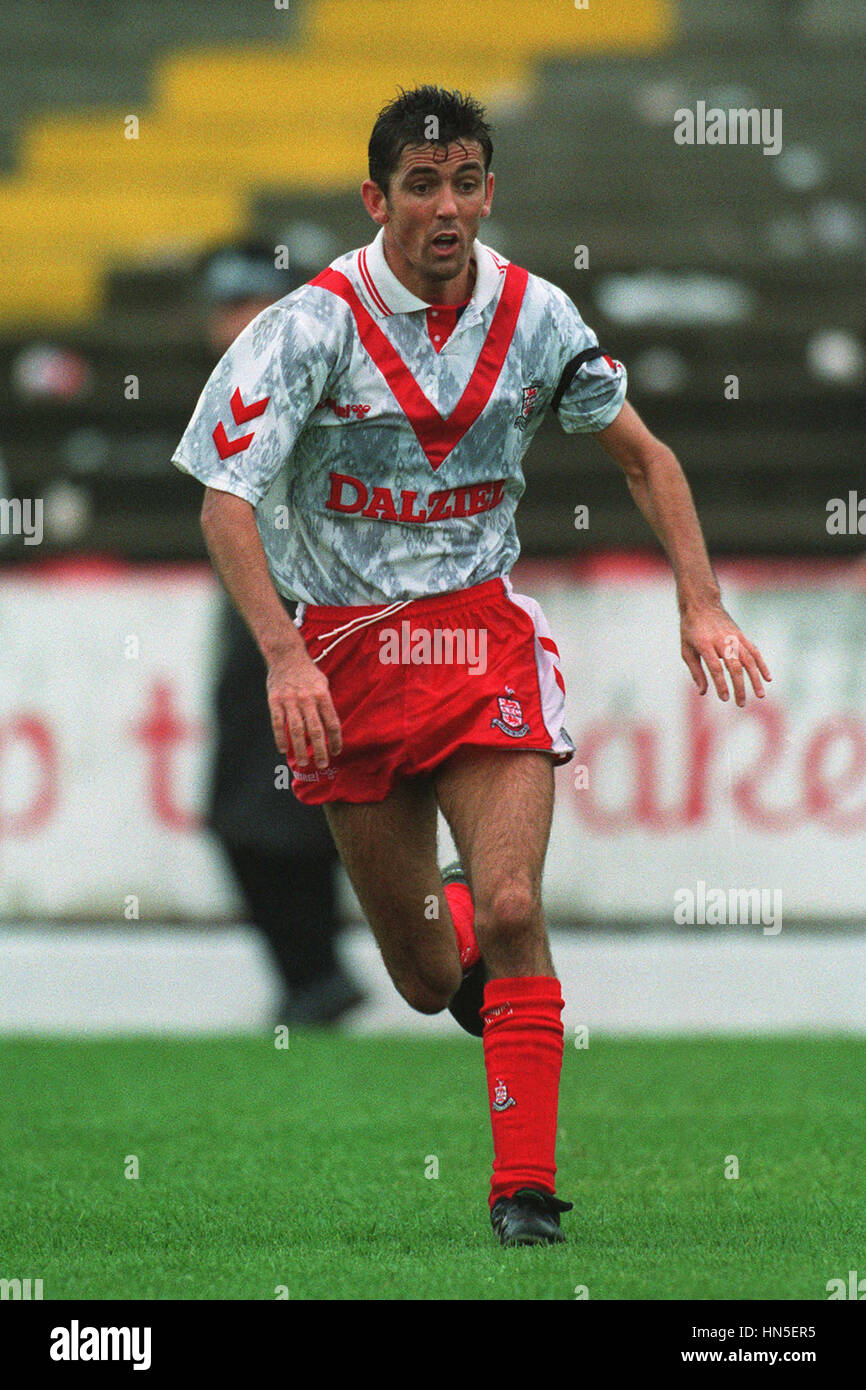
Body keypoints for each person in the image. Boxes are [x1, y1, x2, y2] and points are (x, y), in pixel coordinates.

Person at [172, 87, 771, 1247]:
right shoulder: (308, 326)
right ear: (375, 197)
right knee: (421, 973)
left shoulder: (538, 316)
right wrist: (284, 656)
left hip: (478, 638)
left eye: (464, 184)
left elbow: (644, 460)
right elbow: (226, 506)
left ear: (488, 191)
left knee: (511, 907)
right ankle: (448, 932)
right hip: (344, 658)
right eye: (419, 186)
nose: (445, 208)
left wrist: (699, 601)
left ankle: (525, 1191)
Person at [197, 240, 364, 1027]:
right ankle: (316, 973)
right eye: (229, 307)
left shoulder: (305, 382)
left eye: (253, 305)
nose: (237, 322)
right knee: (260, 807)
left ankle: (318, 974)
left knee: (283, 803)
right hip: (261, 615)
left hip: (310, 613)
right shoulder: (239, 387)